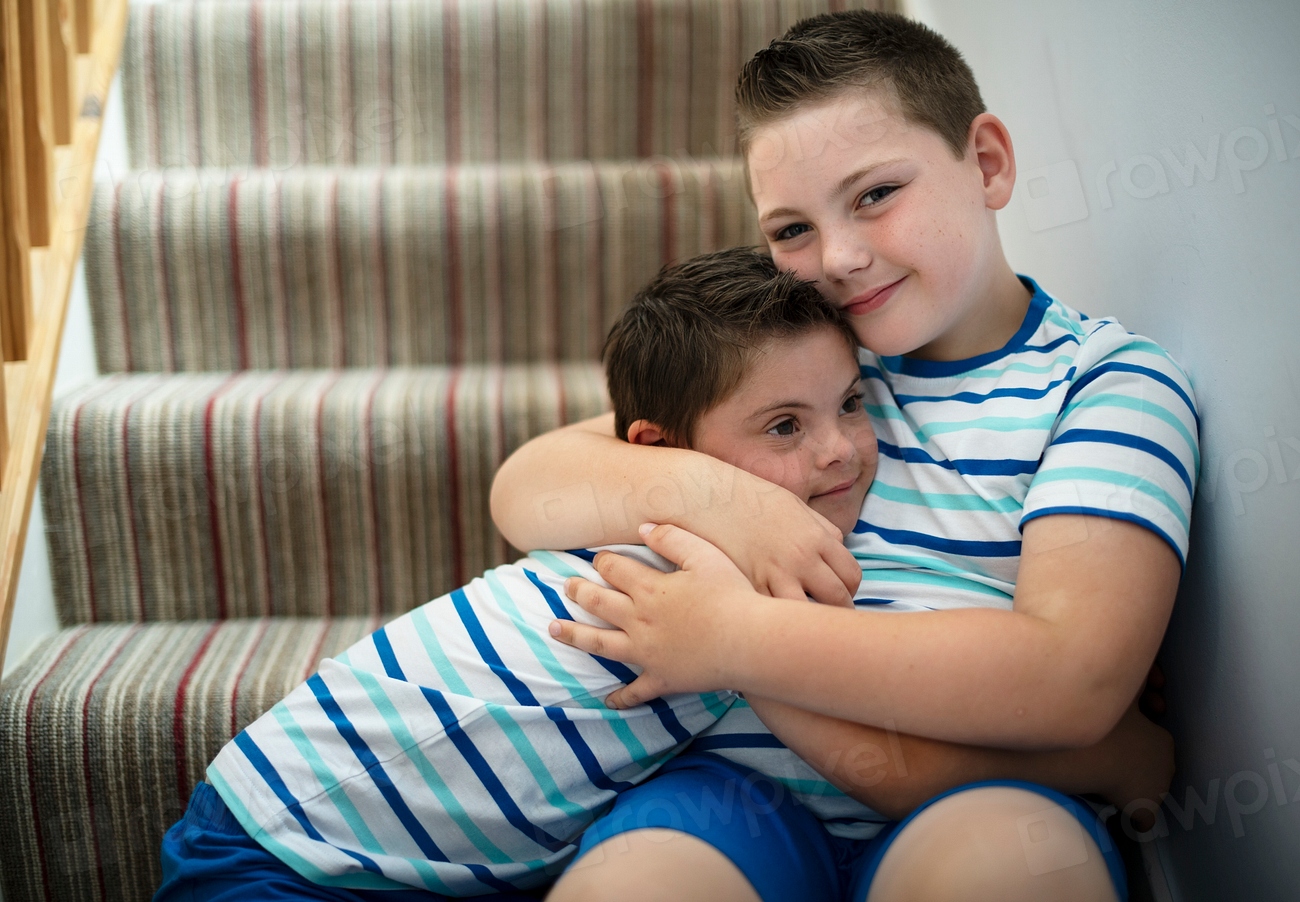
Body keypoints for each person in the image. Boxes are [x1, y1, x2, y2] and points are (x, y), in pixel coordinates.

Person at [156, 250, 1169, 902]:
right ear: (663, 450)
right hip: (285, 846)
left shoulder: (681, 529)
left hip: (350, 830)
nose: (839, 450)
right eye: (784, 426)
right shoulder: (711, 581)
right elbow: (883, 764)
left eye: (850, 404)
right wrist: (1105, 763)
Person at [492, 12, 1198, 902]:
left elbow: (1072, 678)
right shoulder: (808, 365)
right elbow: (529, 484)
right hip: (727, 791)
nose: (840, 258)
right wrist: (728, 500)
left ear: (987, 164)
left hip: (980, 790)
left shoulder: (1103, 384)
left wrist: (735, 639)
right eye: (791, 230)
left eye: (875, 195)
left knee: (1010, 870)